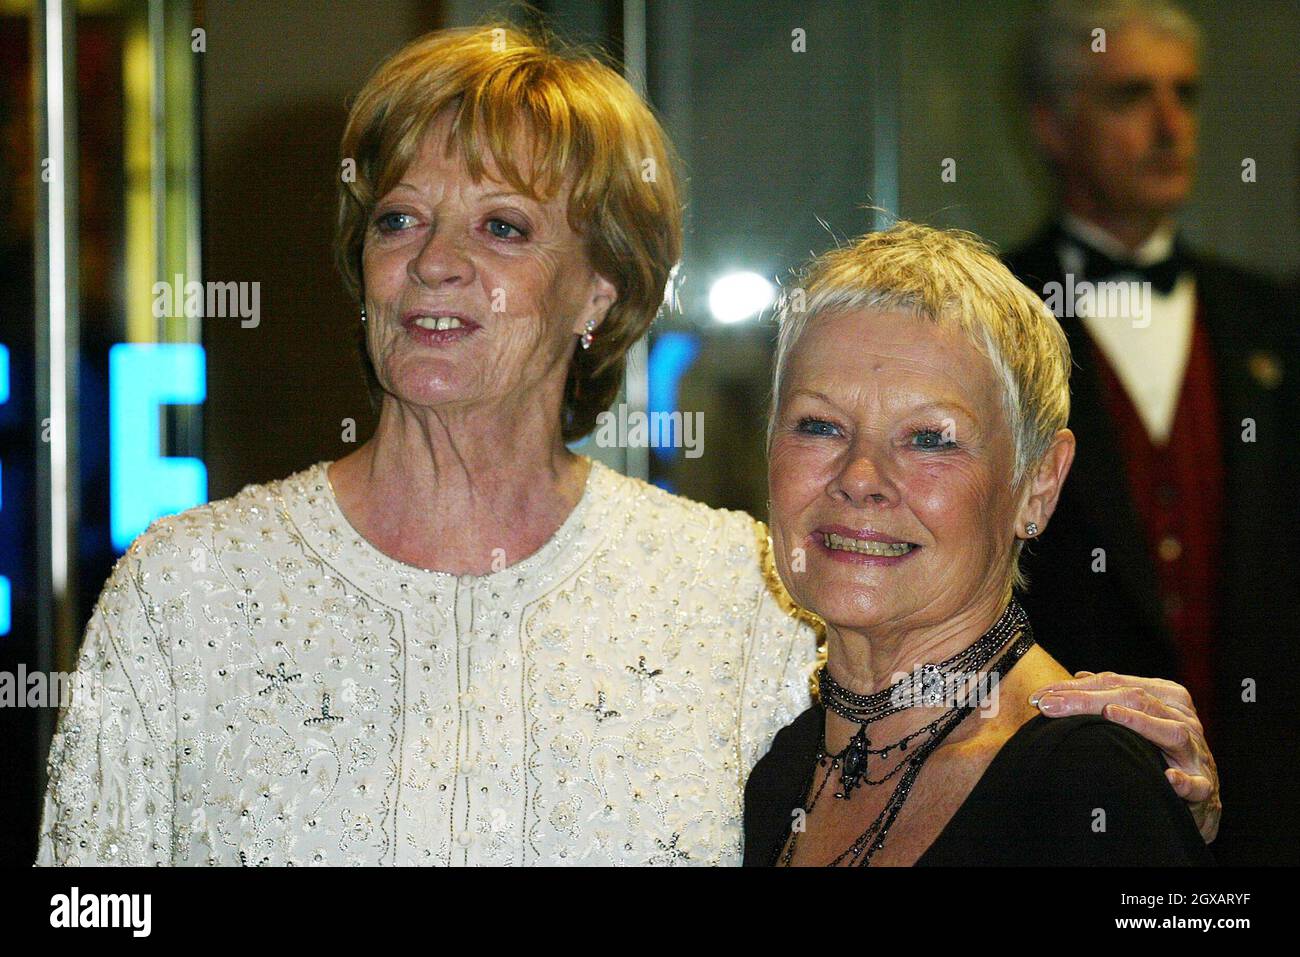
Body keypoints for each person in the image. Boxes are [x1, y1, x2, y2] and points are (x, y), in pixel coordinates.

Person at [37, 25, 1216, 866]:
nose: (433, 261)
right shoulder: (187, 588)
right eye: (400, 218)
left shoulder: (748, 593)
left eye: (501, 226)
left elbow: (947, 753)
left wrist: (1138, 784)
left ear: (600, 287)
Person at [745, 222, 1213, 866]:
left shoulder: (1089, 785)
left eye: (930, 438)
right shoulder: (780, 776)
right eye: (820, 426)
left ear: (1038, 484)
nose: (859, 478)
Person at [1006, 0, 1298, 864]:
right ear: (1053, 125)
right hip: (1071, 798)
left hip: (1271, 807)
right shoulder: (989, 311)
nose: (1171, 126)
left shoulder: (1271, 320)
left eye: (1186, 96)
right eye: (1133, 95)